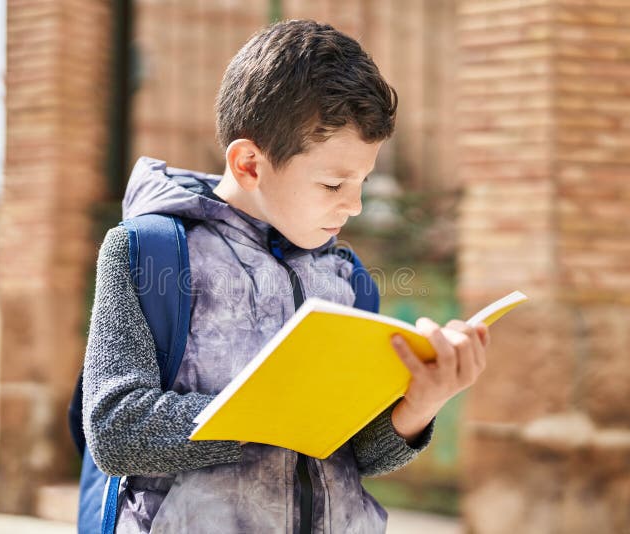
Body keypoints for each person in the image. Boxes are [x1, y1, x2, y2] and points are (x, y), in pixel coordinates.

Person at [83, 19, 489, 533]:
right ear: (250, 163)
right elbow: (114, 429)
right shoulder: (149, 252)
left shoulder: (349, 278)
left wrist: (420, 405)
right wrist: (266, 412)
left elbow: (356, 454)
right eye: (333, 183)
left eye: (363, 181)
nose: (356, 205)